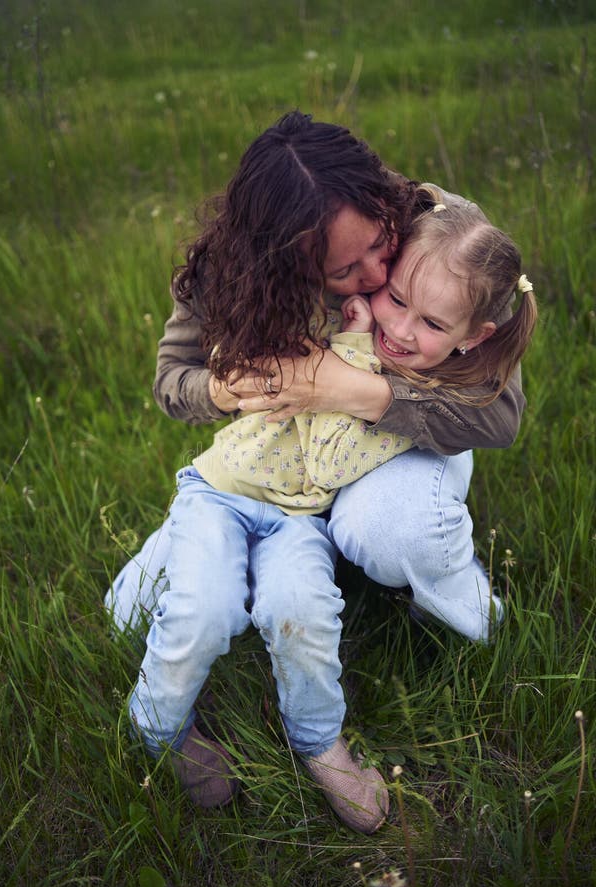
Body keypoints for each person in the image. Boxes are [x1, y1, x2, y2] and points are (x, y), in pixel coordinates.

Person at [105, 111, 530, 830]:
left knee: (356, 552)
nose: (374, 278)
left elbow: (498, 417)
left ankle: (445, 625)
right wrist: (223, 388)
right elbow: (172, 381)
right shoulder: (231, 272)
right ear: (288, 258)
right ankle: (162, 709)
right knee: (148, 612)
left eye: (378, 247)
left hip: (377, 454)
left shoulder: (438, 232)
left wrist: (355, 388)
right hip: (250, 475)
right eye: (343, 272)